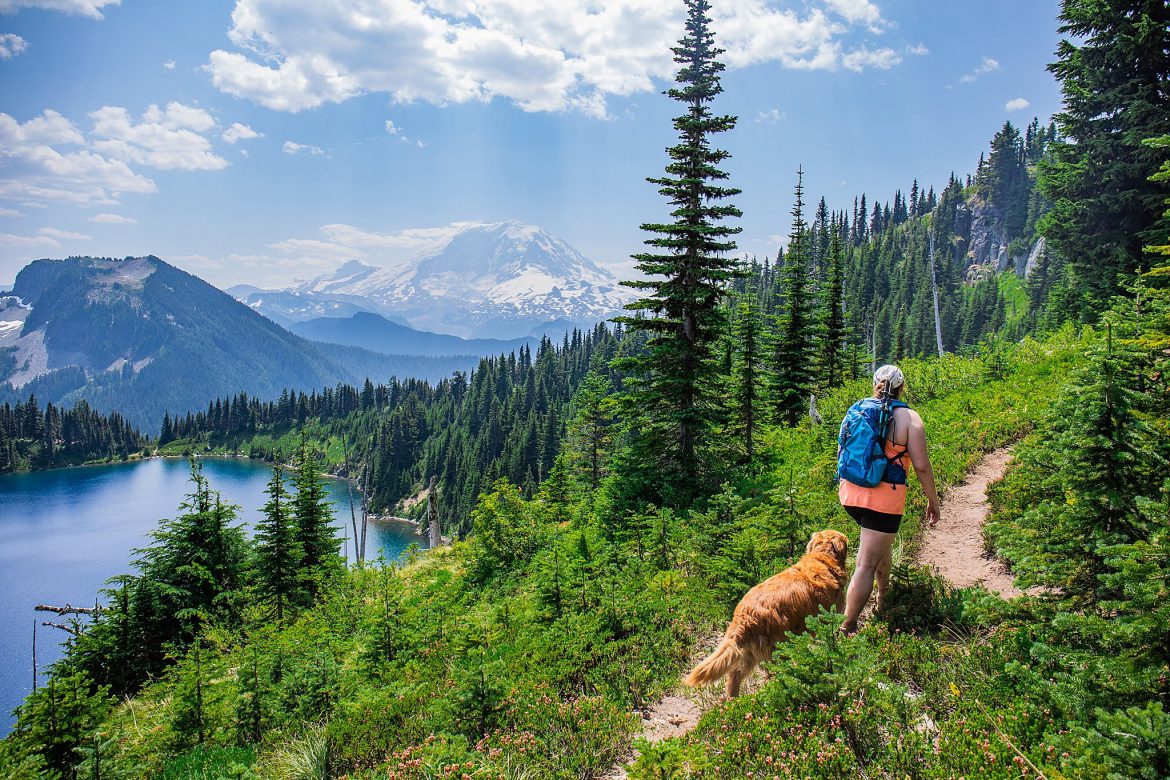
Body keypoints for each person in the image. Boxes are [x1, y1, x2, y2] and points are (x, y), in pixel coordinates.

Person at [839, 364, 940, 635]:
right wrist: (933, 500)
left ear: (875, 384)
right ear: (902, 387)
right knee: (865, 564)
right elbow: (921, 466)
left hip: (850, 494)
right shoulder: (910, 419)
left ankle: (883, 598)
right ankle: (847, 625)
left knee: (878, 546)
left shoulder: (857, 409)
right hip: (884, 499)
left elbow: (842, 449)